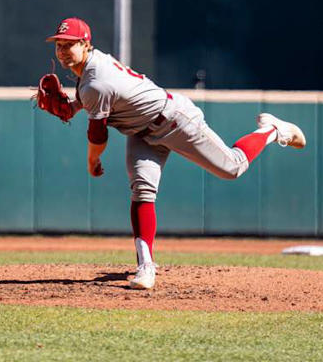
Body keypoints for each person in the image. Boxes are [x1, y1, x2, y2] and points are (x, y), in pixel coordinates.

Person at [44, 17, 306, 290]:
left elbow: (98, 135)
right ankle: (146, 267)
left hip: (174, 121)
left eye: (69, 44)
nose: (62, 50)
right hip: (142, 133)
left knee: (233, 167)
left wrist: (92, 161)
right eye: (59, 45)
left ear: (86, 44)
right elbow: (100, 97)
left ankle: (273, 130)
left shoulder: (94, 83)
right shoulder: (92, 66)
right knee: (142, 191)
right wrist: (73, 106)